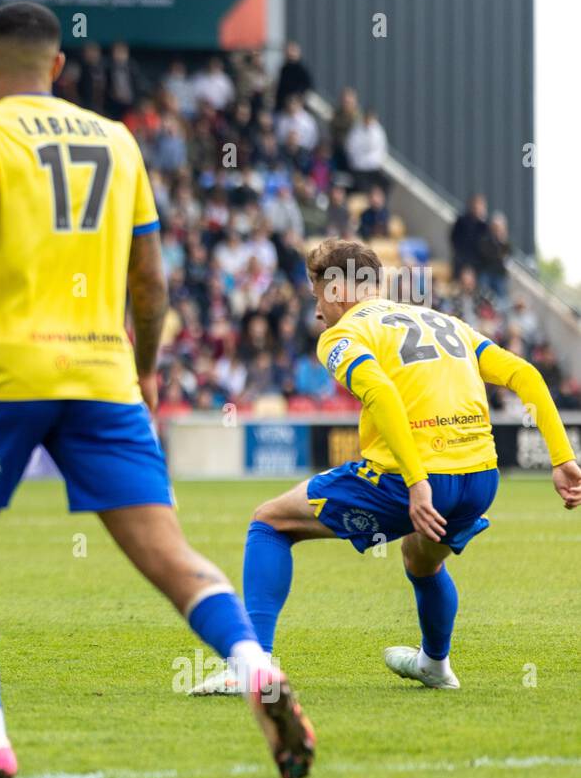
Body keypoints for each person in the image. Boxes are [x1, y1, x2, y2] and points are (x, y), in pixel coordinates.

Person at [0, 1, 315, 778]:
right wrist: (146, 366)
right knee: (167, 553)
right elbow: (152, 275)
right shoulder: (118, 139)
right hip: (104, 374)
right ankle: (249, 662)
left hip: (7, 373)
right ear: (60, 67)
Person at [191, 239, 581, 695]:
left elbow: (381, 394)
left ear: (336, 290)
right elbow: (525, 375)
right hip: (480, 478)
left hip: (412, 479)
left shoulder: (341, 335)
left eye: (317, 293)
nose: (316, 308)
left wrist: (417, 483)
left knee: (269, 523)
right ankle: (435, 663)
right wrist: (562, 458)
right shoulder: (444, 321)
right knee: (421, 560)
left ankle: (250, 668)